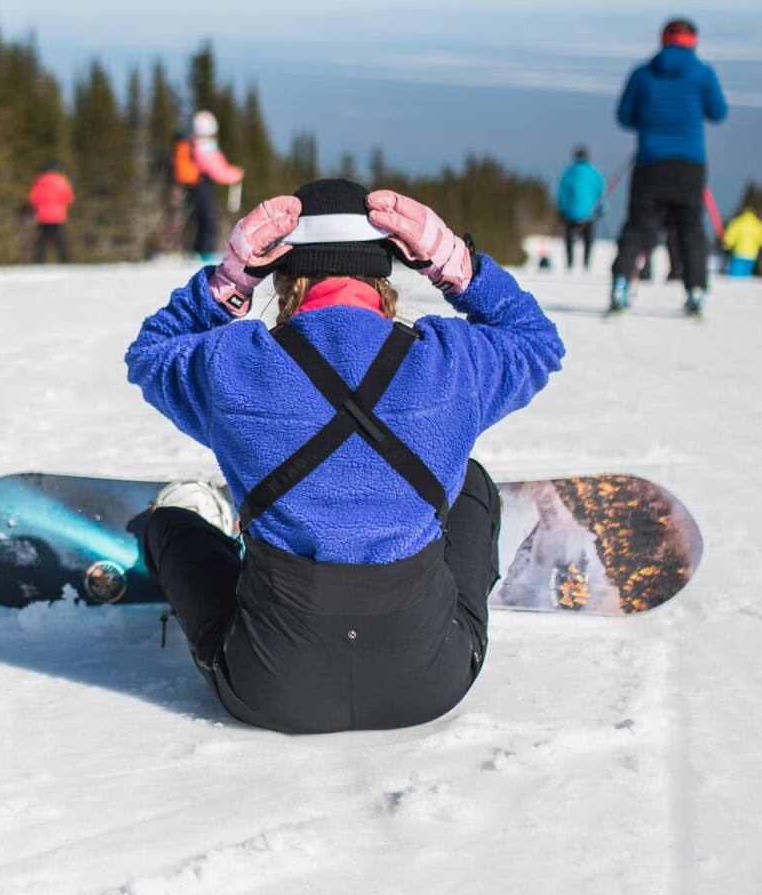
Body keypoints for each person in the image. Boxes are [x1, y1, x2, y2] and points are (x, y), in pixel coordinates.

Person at [124, 178, 564, 733]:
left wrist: (229, 280)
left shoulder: (233, 363)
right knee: (470, 479)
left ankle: (205, 523)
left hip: (270, 687)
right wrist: (456, 265)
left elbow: (150, 354)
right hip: (429, 684)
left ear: (283, 274)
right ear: (385, 271)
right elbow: (537, 340)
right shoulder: (452, 362)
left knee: (170, 527)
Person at [609, 17, 728, 317]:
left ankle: (621, 283)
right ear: (694, 41)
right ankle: (696, 291)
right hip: (690, 163)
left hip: (650, 161)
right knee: (690, 228)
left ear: (663, 39)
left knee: (638, 226)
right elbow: (718, 112)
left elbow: (624, 116)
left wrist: (651, 123)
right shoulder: (702, 74)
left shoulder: (643, 74)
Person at [174, 110, 244, 255]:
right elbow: (214, 168)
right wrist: (234, 174)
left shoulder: (193, 143)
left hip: (194, 185)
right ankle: (204, 253)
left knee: (201, 218)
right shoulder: (203, 146)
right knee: (209, 217)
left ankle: (199, 251)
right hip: (201, 184)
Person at [555, 146, 606, 271]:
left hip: (570, 213)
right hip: (590, 214)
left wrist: (562, 210)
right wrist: (602, 209)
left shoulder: (567, 173)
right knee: (588, 239)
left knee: (569, 237)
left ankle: (570, 262)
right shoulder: (595, 174)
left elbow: (562, 195)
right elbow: (601, 194)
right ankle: (586, 264)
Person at [26, 162, 75, 264]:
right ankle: (65, 260)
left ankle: (39, 261)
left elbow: (33, 199)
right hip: (58, 215)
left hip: (43, 215)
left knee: (42, 239)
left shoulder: (39, 181)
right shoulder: (62, 181)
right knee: (60, 239)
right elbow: (69, 198)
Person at [722, 207, 762, 277]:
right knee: (746, 276)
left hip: (739, 254)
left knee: (735, 277)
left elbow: (730, 237)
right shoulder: (758, 224)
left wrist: (726, 244)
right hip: (752, 255)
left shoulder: (738, 223)